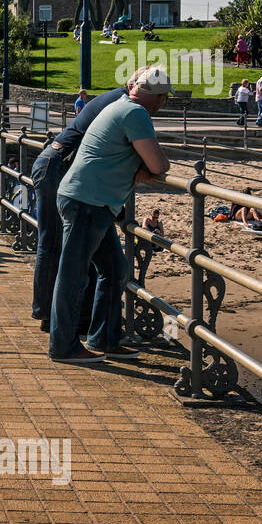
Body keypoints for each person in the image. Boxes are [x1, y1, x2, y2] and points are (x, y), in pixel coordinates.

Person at [49, 65, 172, 365]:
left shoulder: (121, 105)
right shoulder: (136, 114)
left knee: (115, 270)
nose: (163, 104)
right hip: (87, 202)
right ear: (155, 97)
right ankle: (63, 347)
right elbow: (158, 164)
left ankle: (105, 339)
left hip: (93, 203)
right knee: (73, 276)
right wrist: (151, 169)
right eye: (164, 98)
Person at [30, 80, 131, 332]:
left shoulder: (110, 99)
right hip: (60, 167)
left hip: (53, 162)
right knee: (57, 245)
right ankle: (55, 318)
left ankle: (51, 314)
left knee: (54, 244)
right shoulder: (122, 104)